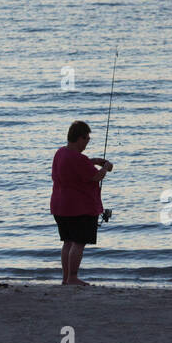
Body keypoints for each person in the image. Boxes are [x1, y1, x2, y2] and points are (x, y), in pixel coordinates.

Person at [51, 120, 111, 286]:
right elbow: (96, 176)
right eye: (87, 139)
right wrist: (105, 167)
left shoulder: (61, 153)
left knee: (68, 242)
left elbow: (77, 165)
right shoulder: (78, 159)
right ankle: (73, 277)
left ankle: (66, 277)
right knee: (78, 243)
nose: (87, 143)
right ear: (80, 138)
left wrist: (94, 161)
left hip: (60, 206)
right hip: (79, 208)